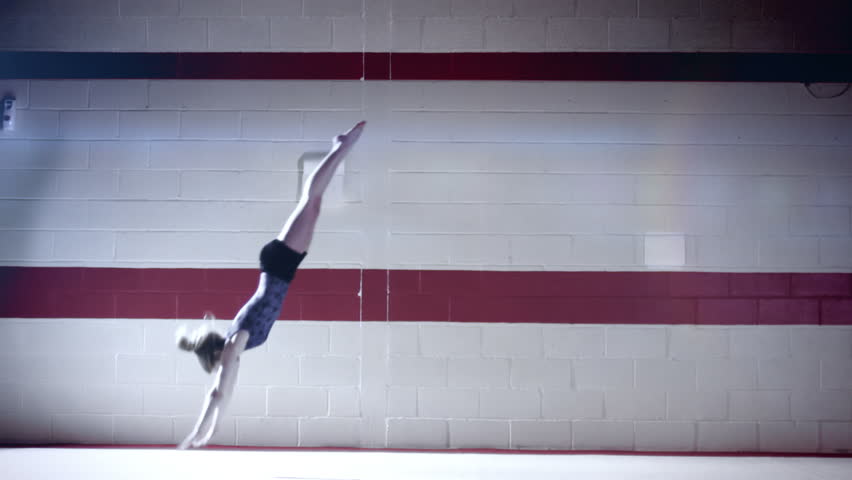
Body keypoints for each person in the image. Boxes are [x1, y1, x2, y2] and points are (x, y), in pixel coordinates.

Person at [175, 121, 366, 449]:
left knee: (310, 201)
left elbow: (219, 391)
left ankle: (340, 147)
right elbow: (225, 392)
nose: (220, 369)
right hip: (282, 269)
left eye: (216, 363)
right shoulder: (236, 348)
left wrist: (198, 434)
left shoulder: (235, 343)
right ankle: (339, 148)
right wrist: (210, 434)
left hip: (276, 265)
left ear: (217, 353)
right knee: (313, 205)